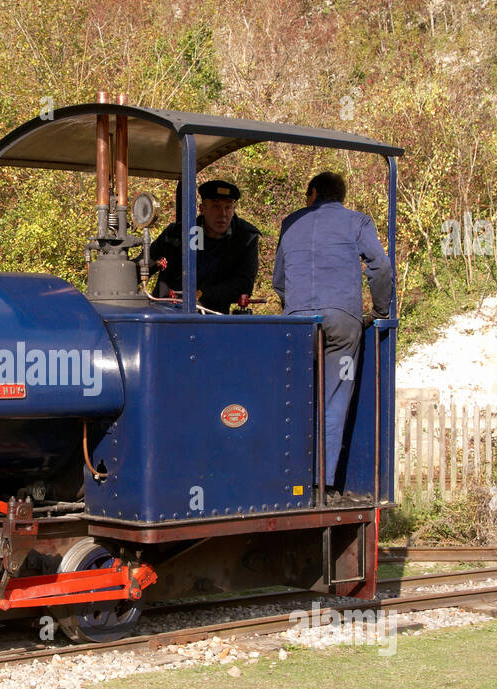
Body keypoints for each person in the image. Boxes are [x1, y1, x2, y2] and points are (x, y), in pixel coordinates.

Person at [272, 171, 393, 502]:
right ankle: (322, 485)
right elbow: (380, 268)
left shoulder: (290, 223)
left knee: (294, 400)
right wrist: (380, 312)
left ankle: (290, 482)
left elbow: (279, 280)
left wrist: (295, 307)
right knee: (335, 399)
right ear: (341, 196)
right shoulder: (357, 222)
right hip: (343, 323)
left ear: (312, 193)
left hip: (296, 325)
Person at [151, 179, 260, 314]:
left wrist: (202, 294)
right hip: (165, 313)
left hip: (211, 318)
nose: (223, 214)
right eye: (216, 206)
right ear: (202, 209)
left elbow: (243, 285)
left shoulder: (245, 237)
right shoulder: (177, 234)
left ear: (234, 209)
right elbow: (145, 264)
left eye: (228, 207)